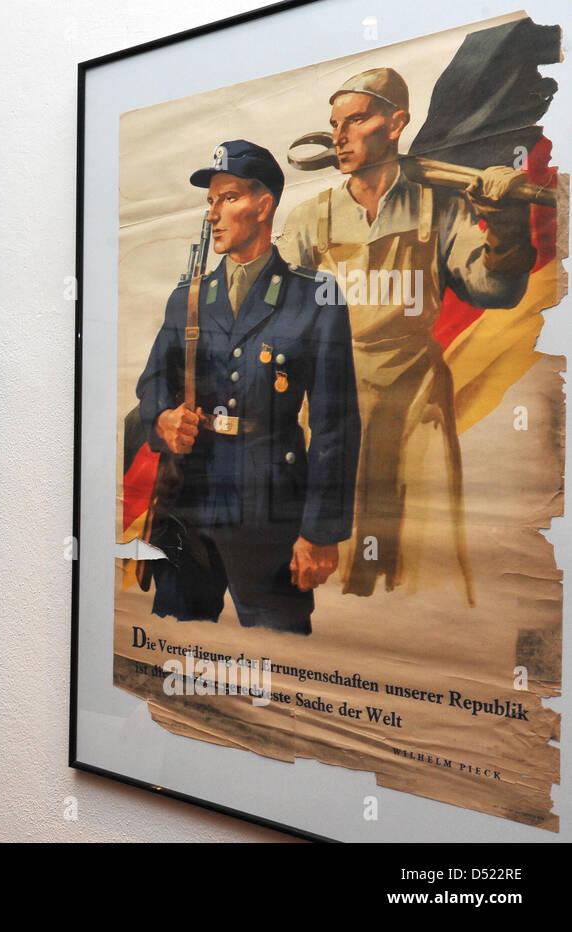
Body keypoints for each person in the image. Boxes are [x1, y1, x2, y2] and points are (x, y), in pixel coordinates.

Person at [277, 68, 536, 601]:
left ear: (396, 124)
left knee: (420, 561)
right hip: (332, 407)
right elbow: (277, 328)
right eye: (334, 125)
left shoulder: (441, 207)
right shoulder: (309, 220)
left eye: (356, 120)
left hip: (417, 400)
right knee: (332, 559)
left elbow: (495, 291)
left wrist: (505, 223)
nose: (339, 136)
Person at [137, 140, 361, 635]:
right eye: (211, 202)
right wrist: (163, 420)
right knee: (176, 649)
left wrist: (319, 533)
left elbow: (334, 425)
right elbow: (152, 384)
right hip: (188, 510)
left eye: (230, 198)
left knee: (281, 667)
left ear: (264, 205)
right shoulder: (188, 300)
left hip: (272, 514)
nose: (215, 214)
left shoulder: (314, 297)